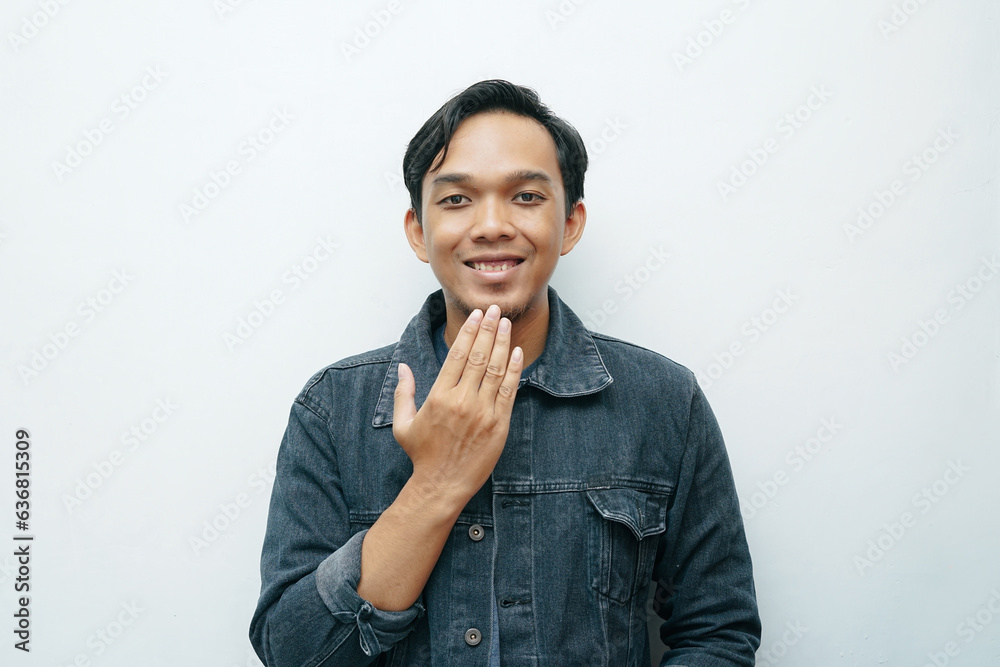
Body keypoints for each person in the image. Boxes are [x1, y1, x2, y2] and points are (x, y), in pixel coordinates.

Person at [250, 79, 761, 666]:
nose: (492, 225)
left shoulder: (664, 402)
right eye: (456, 199)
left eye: (525, 196)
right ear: (418, 232)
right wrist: (435, 483)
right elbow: (293, 654)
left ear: (570, 223)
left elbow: (717, 631)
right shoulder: (331, 409)